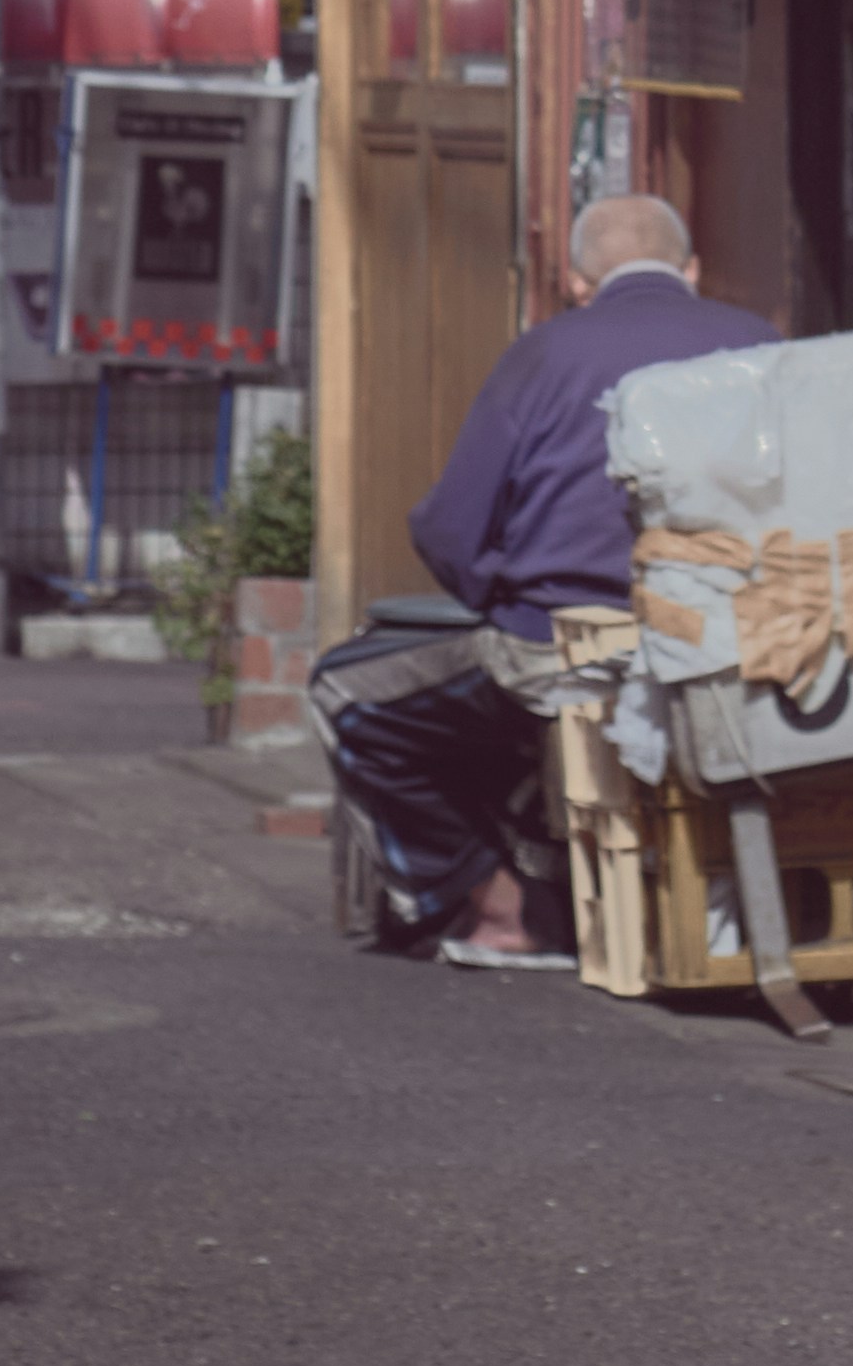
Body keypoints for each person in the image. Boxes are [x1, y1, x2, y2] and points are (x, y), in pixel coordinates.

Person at [319, 187, 776, 964]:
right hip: (742, 643)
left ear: (575, 282)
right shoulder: (763, 344)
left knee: (345, 692)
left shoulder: (546, 350)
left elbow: (450, 527)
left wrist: (505, 595)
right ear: (692, 269)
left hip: (569, 648)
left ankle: (500, 912)